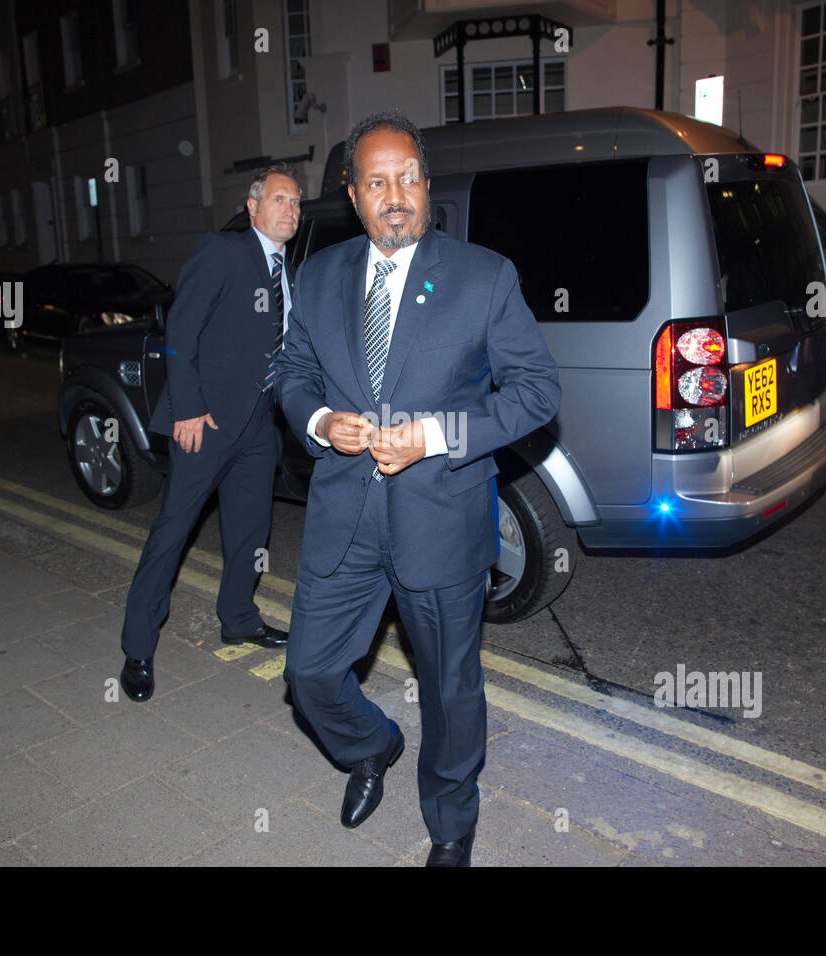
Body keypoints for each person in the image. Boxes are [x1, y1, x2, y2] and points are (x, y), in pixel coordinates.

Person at [276, 111, 560, 866]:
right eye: (376, 181)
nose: (394, 194)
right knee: (307, 672)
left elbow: (537, 392)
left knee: (449, 689)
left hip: (440, 515)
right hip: (345, 512)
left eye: (407, 178)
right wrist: (319, 419)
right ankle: (372, 745)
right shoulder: (319, 275)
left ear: (427, 186)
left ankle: (450, 823)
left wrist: (434, 436)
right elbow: (293, 373)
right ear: (352, 193)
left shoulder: (483, 276)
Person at [118, 163, 301, 702]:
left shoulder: (287, 270)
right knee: (172, 531)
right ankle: (137, 648)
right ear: (253, 207)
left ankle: (239, 618)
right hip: (206, 424)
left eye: (295, 202)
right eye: (279, 200)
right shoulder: (223, 252)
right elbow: (181, 329)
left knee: (250, 532)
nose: (289, 210)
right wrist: (188, 409)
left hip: (257, 429)